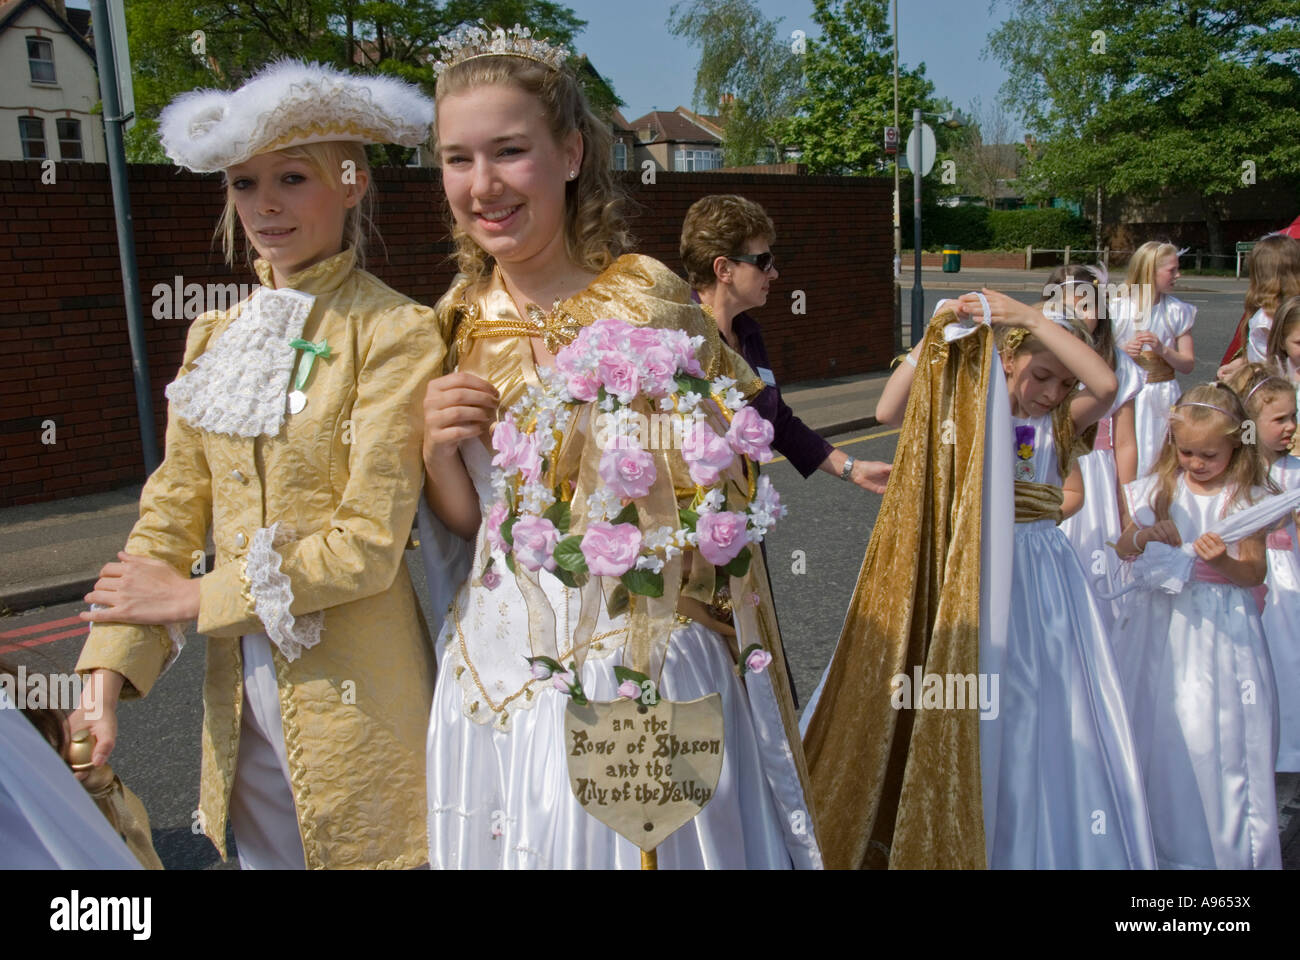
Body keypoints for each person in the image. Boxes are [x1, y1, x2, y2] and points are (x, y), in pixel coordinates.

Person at [420, 24, 819, 869]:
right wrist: (433, 449)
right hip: (498, 666)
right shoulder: (451, 320)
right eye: (458, 158)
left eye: (509, 151)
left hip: (645, 649)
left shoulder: (644, 295)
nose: (482, 185)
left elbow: (732, 465)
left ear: (569, 153)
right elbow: (469, 524)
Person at [71, 61, 444, 869]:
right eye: (244, 184)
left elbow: (369, 543)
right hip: (237, 702)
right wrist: (103, 678)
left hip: (359, 702)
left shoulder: (397, 333)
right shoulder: (213, 338)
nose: (264, 205)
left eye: (291, 178)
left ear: (351, 184)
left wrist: (194, 594)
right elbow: (169, 517)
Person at [803, 287, 1156, 869]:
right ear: (1009, 358)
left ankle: (1028, 832)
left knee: (1035, 696)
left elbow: (1111, 387)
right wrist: (934, 331)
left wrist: (1027, 315)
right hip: (969, 564)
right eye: (1042, 375)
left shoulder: (1063, 421)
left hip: (1040, 576)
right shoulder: (964, 410)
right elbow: (888, 411)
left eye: (1064, 384)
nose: (1052, 393)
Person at [1112, 382, 1281, 869]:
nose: (1196, 463)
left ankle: (1219, 849)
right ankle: (1157, 840)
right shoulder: (1163, 488)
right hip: (1161, 623)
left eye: (1210, 454)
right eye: (1186, 452)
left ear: (1237, 447)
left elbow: (1253, 572)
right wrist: (1145, 535)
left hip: (1219, 627)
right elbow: (1123, 546)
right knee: (1159, 720)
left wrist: (1223, 562)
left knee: (1212, 730)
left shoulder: (1245, 497)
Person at [680, 195, 890, 492]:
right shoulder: (679, 343)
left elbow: (778, 421)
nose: (774, 273)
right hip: (694, 521)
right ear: (723, 269)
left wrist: (854, 470)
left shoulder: (749, 335)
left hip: (741, 517)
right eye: (763, 262)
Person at [1050, 265, 1143, 626]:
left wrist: (1127, 505)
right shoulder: (1037, 361)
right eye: (1068, 305)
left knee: (1097, 564)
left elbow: (1125, 442)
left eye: (1087, 306)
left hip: (1098, 478)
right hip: (1051, 472)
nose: (1078, 314)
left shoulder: (1119, 365)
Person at [1223, 363, 1300, 772]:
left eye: (1294, 417)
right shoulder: (1240, 472)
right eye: (1280, 419)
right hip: (1254, 570)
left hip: (1289, 574)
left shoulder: (1294, 470)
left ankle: (1289, 742)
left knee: (1290, 656)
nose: (1290, 426)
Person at [1112, 241, 1197, 477]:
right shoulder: (1117, 307)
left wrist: (1163, 350)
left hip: (1163, 393)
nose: (1177, 275)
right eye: (1171, 270)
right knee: (1129, 451)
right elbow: (1096, 352)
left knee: (1161, 453)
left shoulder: (1177, 311)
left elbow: (1188, 365)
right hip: (1129, 394)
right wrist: (1121, 351)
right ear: (1150, 271)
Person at [1218, 233, 1300, 373]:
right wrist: (1240, 363)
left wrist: (1241, 374)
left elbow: (1269, 366)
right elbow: (1260, 355)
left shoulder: (1264, 319)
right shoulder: (1289, 309)